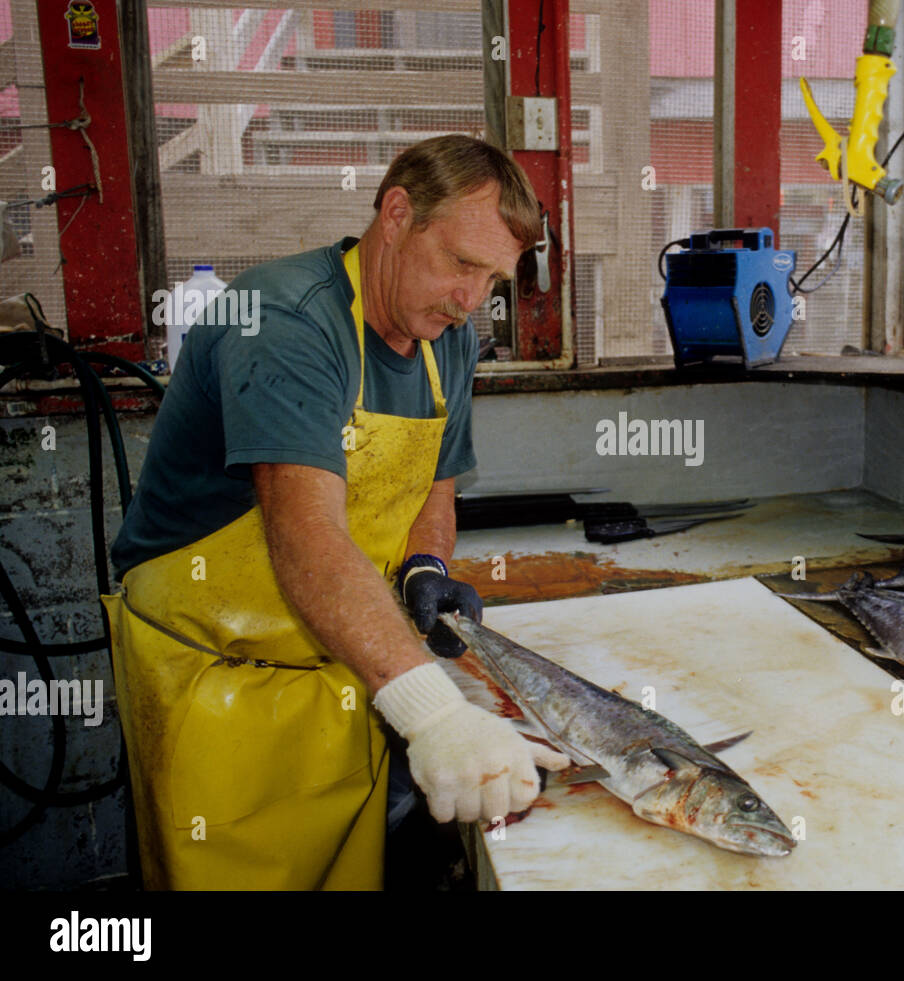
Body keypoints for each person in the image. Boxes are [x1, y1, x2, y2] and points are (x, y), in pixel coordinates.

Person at [103, 134, 569, 890]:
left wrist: (426, 563)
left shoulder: (444, 338)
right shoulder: (286, 322)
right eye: (460, 262)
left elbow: (434, 480)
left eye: (493, 278)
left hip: (341, 663)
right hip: (212, 683)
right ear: (395, 213)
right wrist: (437, 715)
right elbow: (307, 540)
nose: (471, 300)